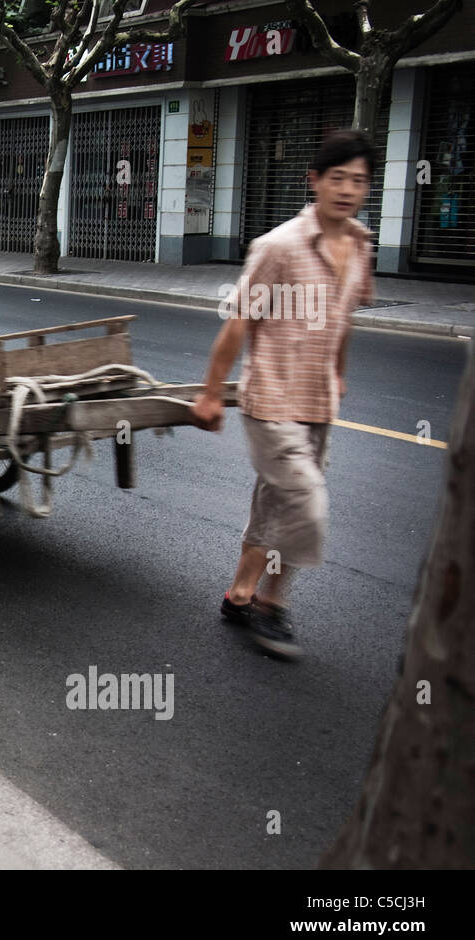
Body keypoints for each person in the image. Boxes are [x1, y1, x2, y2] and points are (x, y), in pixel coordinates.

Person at [190, 129, 376, 661]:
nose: (346, 189)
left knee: (277, 505)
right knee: (305, 502)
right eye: (336, 178)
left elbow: (344, 319)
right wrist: (208, 394)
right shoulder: (278, 246)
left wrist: (338, 372)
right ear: (314, 181)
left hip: (318, 403)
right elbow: (237, 324)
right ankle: (272, 607)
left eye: (358, 181)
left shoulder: (361, 246)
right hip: (270, 399)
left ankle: (240, 594)